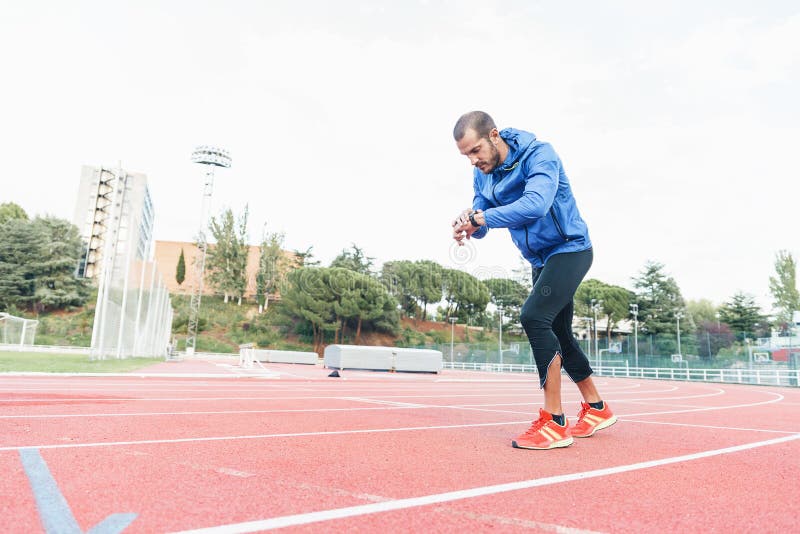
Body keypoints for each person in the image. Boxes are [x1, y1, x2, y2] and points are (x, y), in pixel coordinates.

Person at [451, 110, 617, 450]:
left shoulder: (540, 154)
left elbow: (536, 205)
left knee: (534, 317)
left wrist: (483, 217)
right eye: (465, 155)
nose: (472, 161)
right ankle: (597, 408)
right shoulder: (483, 175)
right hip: (540, 259)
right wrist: (470, 223)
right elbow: (483, 219)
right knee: (558, 333)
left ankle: (554, 421)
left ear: (494, 135)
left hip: (570, 248)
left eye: (476, 150)